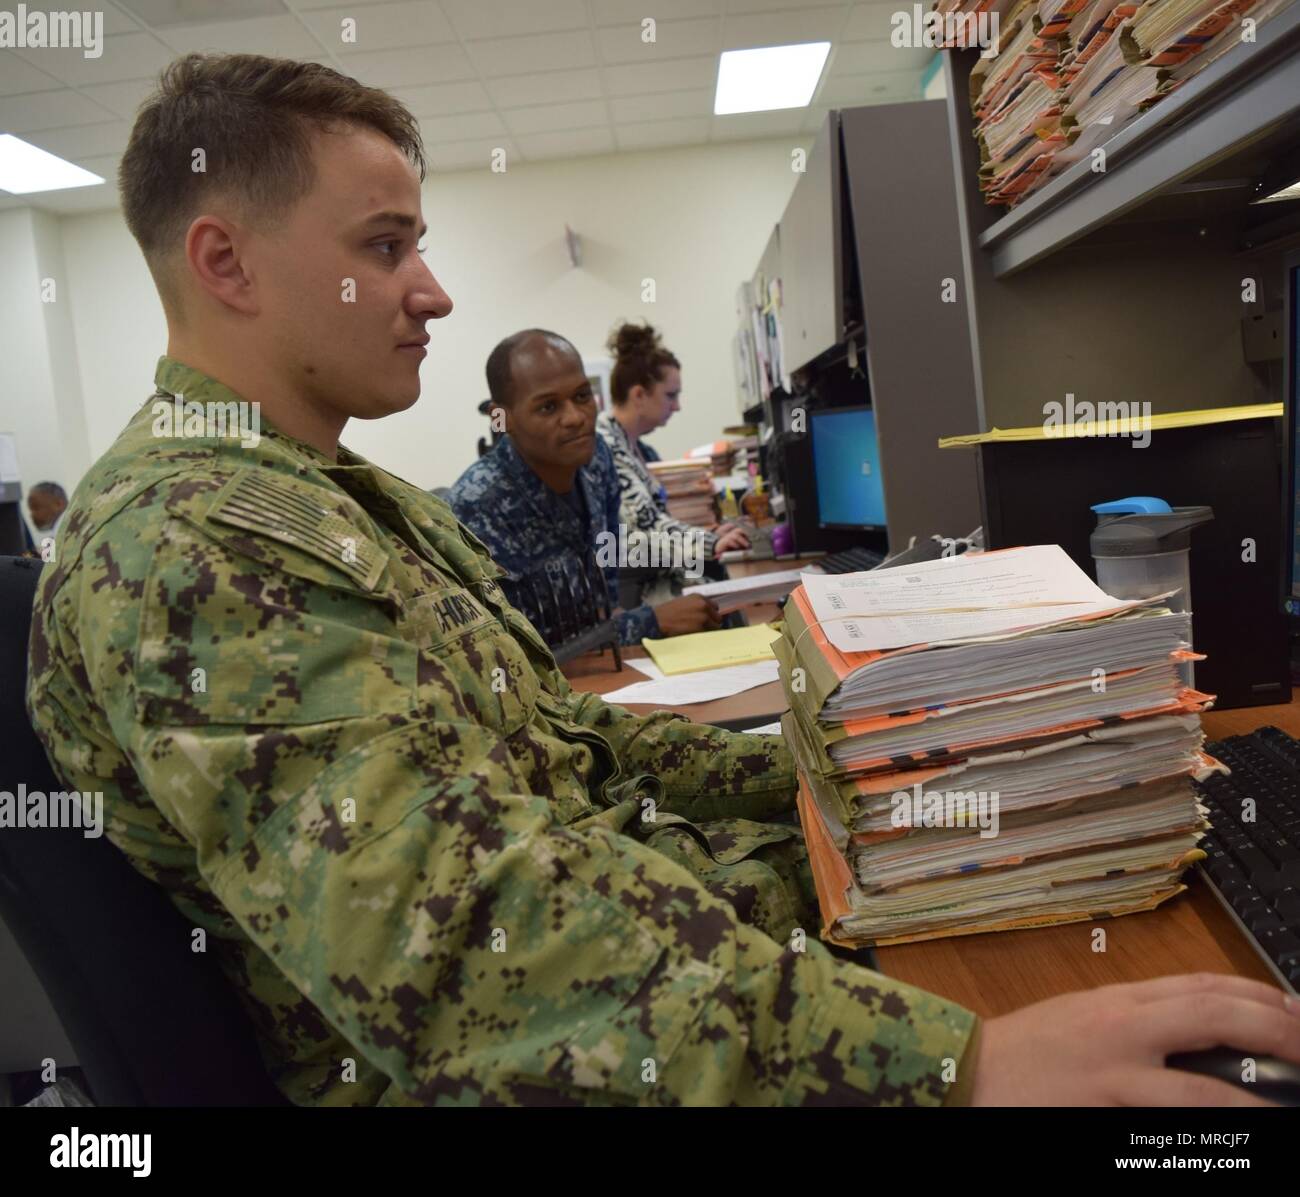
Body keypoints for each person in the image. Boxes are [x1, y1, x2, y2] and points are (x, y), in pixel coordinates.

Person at [25, 52, 1300, 1109]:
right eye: (385, 243)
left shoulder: (335, 501)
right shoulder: (193, 541)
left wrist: (855, 772)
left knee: (1104, 871)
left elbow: (566, 745)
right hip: (545, 1049)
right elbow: (462, 944)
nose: (432, 290)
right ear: (226, 262)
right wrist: (955, 1071)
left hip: (659, 938)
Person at [448, 329, 720, 647]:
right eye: (548, 407)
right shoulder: (478, 505)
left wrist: (629, 625)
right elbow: (523, 653)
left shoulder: (597, 458)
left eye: (581, 396)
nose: (576, 418)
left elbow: (608, 591)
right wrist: (650, 622)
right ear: (501, 417)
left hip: (614, 671)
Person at [596, 321, 749, 608]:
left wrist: (709, 536)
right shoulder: (602, 450)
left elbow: (655, 523)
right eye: (670, 395)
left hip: (663, 581)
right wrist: (708, 543)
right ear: (639, 395)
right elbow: (625, 542)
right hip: (641, 598)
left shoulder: (641, 450)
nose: (677, 406)